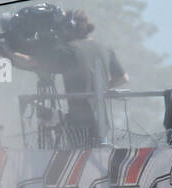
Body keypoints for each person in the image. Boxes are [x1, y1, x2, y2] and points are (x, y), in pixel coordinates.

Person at [9, 8, 127, 146]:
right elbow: (123, 78)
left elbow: (32, 62)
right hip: (102, 123)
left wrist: (10, 52)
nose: (61, 33)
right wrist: (100, 89)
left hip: (78, 123)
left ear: (71, 28)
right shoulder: (105, 49)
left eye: (64, 28)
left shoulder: (70, 50)